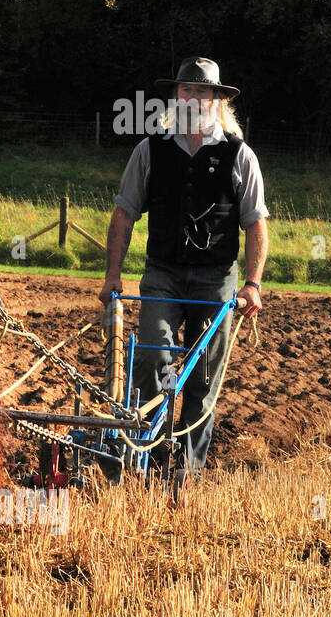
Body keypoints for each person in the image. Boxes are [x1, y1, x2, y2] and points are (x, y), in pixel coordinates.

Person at [99, 57, 269, 487]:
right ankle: (148, 459)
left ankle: (186, 473)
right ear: (176, 97)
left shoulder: (239, 155)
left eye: (202, 92)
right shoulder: (150, 150)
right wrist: (112, 276)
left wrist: (252, 284)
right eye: (186, 90)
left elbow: (255, 223)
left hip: (216, 279)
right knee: (153, 354)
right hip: (163, 274)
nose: (193, 98)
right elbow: (124, 215)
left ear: (216, 101)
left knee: (203, 375)